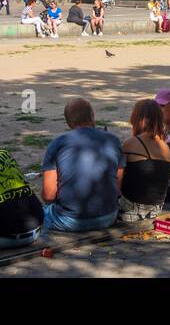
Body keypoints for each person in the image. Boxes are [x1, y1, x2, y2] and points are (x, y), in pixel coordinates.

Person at [41, 98, 124, 231]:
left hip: (70, 220)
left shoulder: (57, 144)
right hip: (108, 217)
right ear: (92, 116)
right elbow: (117, 188)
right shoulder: (113, 140)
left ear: (69, 123)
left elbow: (49, 195)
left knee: (36, 214)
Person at [117, 100, 170, 221]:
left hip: (130, 210)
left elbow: (117, 179)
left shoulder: (131, 143)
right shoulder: (165, 147)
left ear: (137, 118)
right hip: (155, 210)